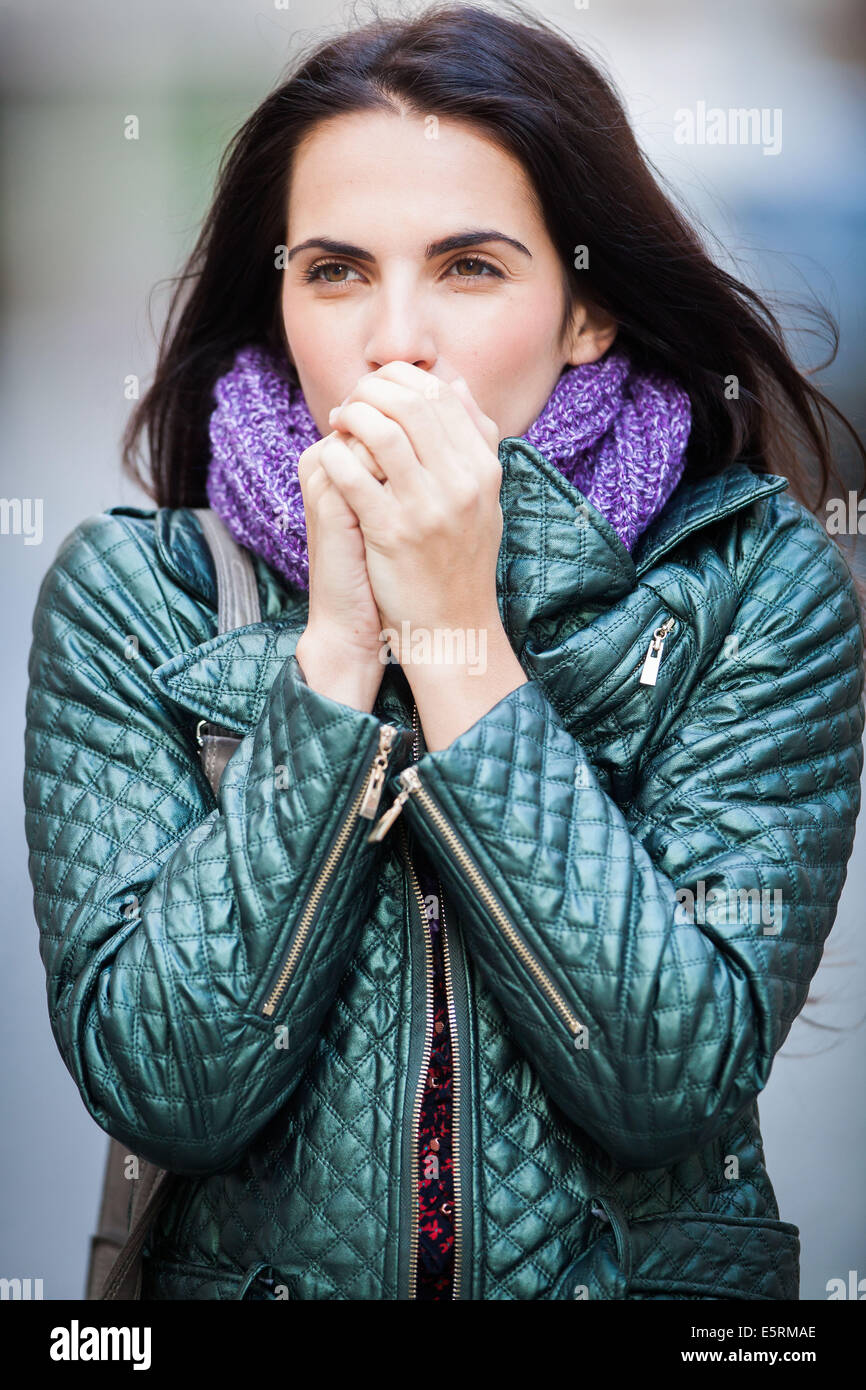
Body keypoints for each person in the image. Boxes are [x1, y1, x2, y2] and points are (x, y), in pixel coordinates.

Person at [23, 1, 865, 1301]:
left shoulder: (751, 588)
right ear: (279, 303)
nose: (391, 338)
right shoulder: (139, 594)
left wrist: (459, 631)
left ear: (586, 313)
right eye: (335, 270)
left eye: (469, 267)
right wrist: (341, 647)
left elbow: (670, 1079)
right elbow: (167, 1089)